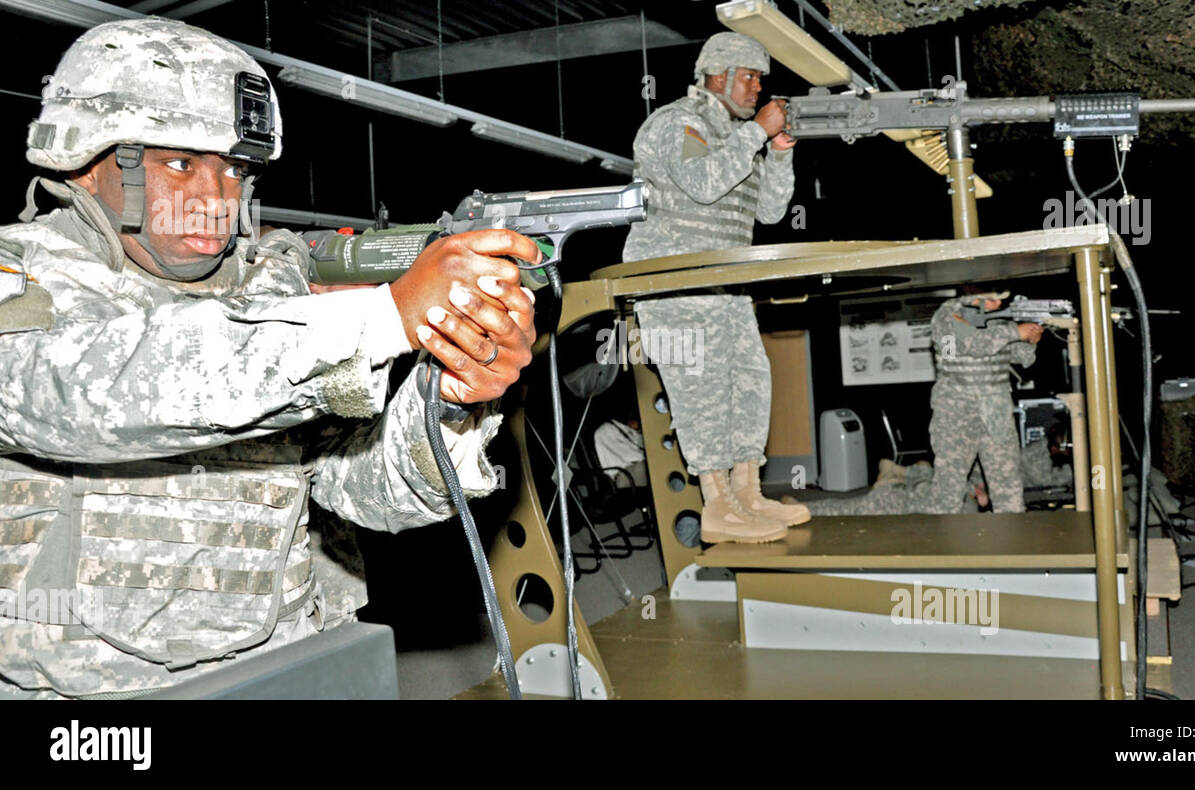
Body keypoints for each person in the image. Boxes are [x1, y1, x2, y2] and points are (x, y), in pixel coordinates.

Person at [0, 18, 537, 699]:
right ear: (87, 157)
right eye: (179, 163)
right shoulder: (18, 272)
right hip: (95, 695)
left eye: (235, 168)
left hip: (291, 663)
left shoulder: (268, 295)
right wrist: (378, 320)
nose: (215, 197)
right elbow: (74, 392)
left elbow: (363, 489)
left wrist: (451, 393)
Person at [623, 32, 806, 545]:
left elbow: (769, 212)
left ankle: (747, 492)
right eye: (749, 77)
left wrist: (780, 153)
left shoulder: (737, 134)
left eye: (759, 80)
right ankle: (717, 505)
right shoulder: (680, 123)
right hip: (676, 286)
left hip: (724, 286)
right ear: (718, 77)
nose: (757, 89)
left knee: (750, 383)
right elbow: (702, 184)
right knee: (702, 392)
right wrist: (755, 136)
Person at [924, 291, 1042, 513]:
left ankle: (1012, 542)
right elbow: (970, 344)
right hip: (956, 415)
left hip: (995, 414)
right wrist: (1015, 331)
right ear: (970, 296)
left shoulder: (996, 321)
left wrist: (1031, 338)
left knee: (1008, 487)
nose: (997, 304)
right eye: (991, 298)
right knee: (948, 488)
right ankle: (941, 543)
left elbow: (1023, 358)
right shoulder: (946, 317)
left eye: (1000, 300)